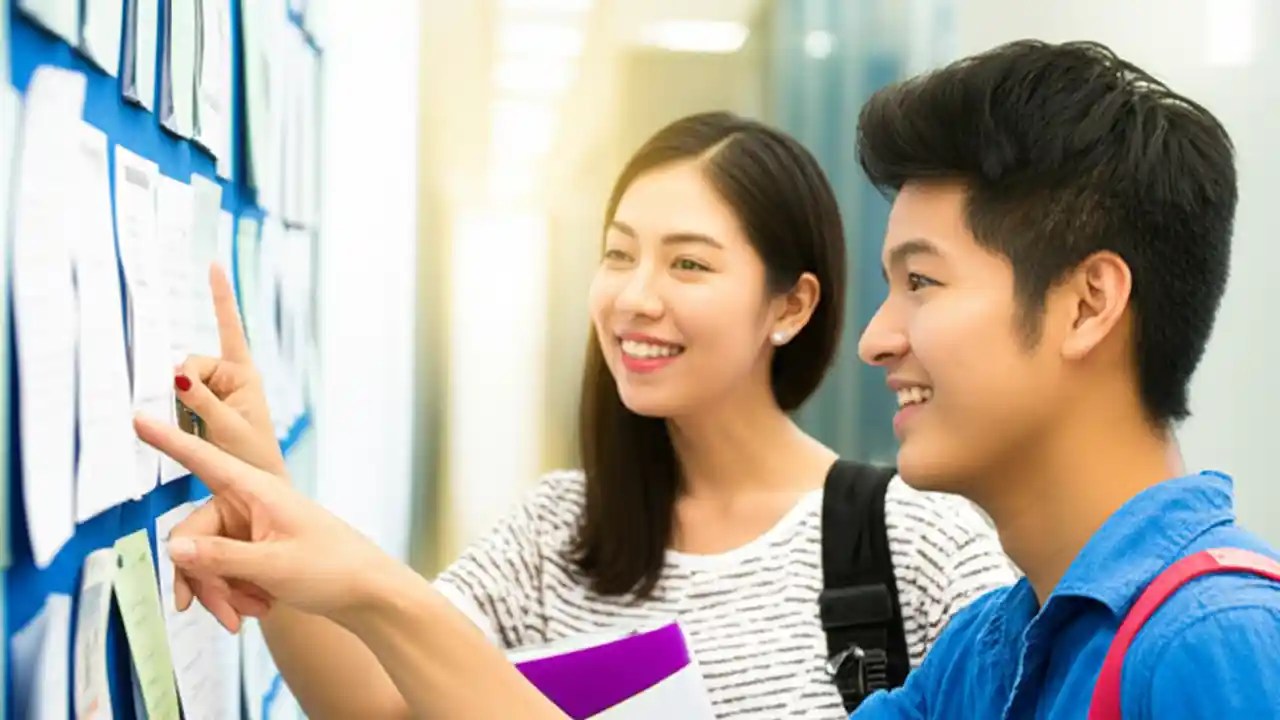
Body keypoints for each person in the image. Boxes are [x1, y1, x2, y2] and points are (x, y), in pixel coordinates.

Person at [138, 112, 1014, 719]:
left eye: (689, 266)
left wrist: (370, 582)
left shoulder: (921, 539)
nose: (636, 298)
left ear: (790, 307)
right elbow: (375, 700)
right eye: (619, 255)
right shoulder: (558, 529)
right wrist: (266, 501)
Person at [846, 40, 1280, 717]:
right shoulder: (983, 655)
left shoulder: (1212, 641)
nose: (875, 340)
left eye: (921, 282)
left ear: (1087, 305)